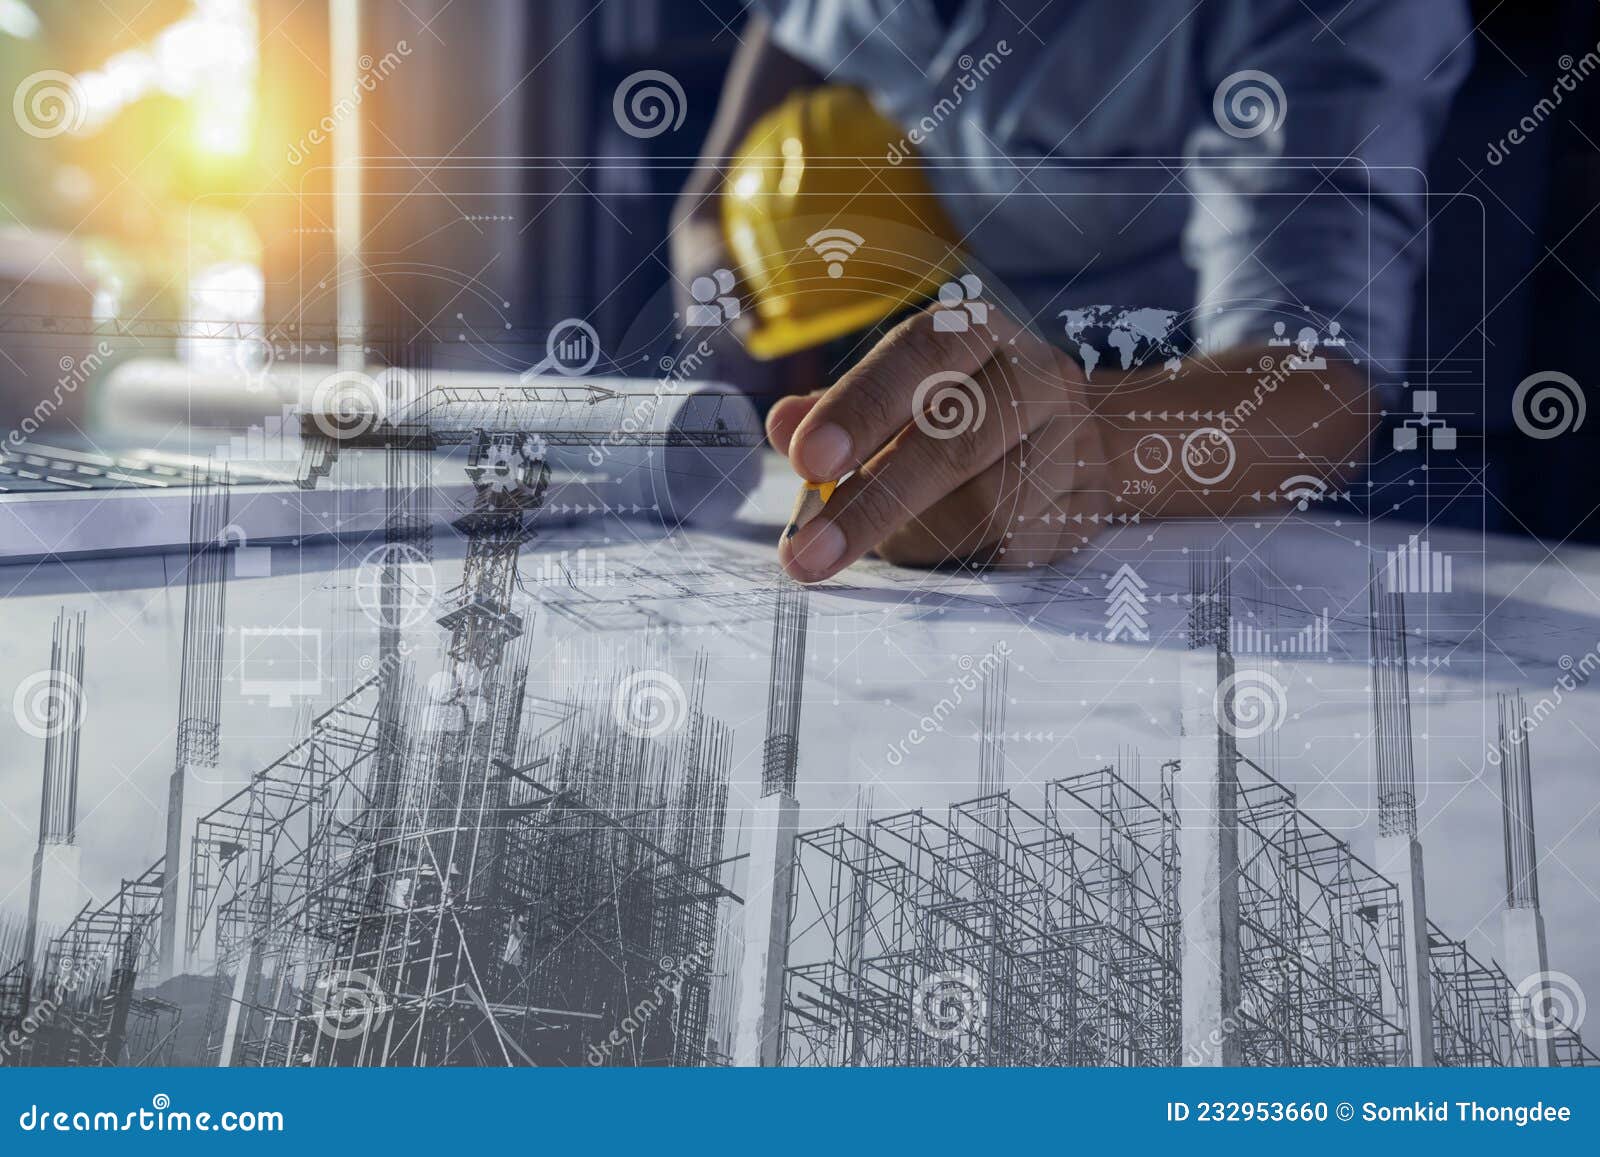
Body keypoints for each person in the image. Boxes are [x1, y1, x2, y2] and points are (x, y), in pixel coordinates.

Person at [672, 0, 1472, 583]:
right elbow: (706, 205)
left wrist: (1083, 448)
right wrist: (724, 299)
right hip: (965, 407)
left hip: (1261, 501)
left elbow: (1318, 383)